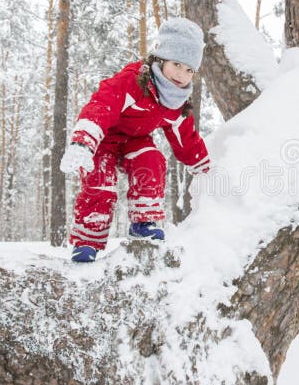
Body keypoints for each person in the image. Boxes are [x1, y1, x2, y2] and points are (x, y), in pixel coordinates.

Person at [59, 18, 211, 262]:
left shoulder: (175, 99)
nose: (182, 75)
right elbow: (102, 105)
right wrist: (83, 142)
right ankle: (87, 240)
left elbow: (185, 136)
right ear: (160, 59)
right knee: (100, 182)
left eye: (189, 70)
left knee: (152, 159)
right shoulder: (133, 81)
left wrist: (204, 168)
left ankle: (144, 223)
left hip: (135, 140)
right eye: (177, 64)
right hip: (104, 140)